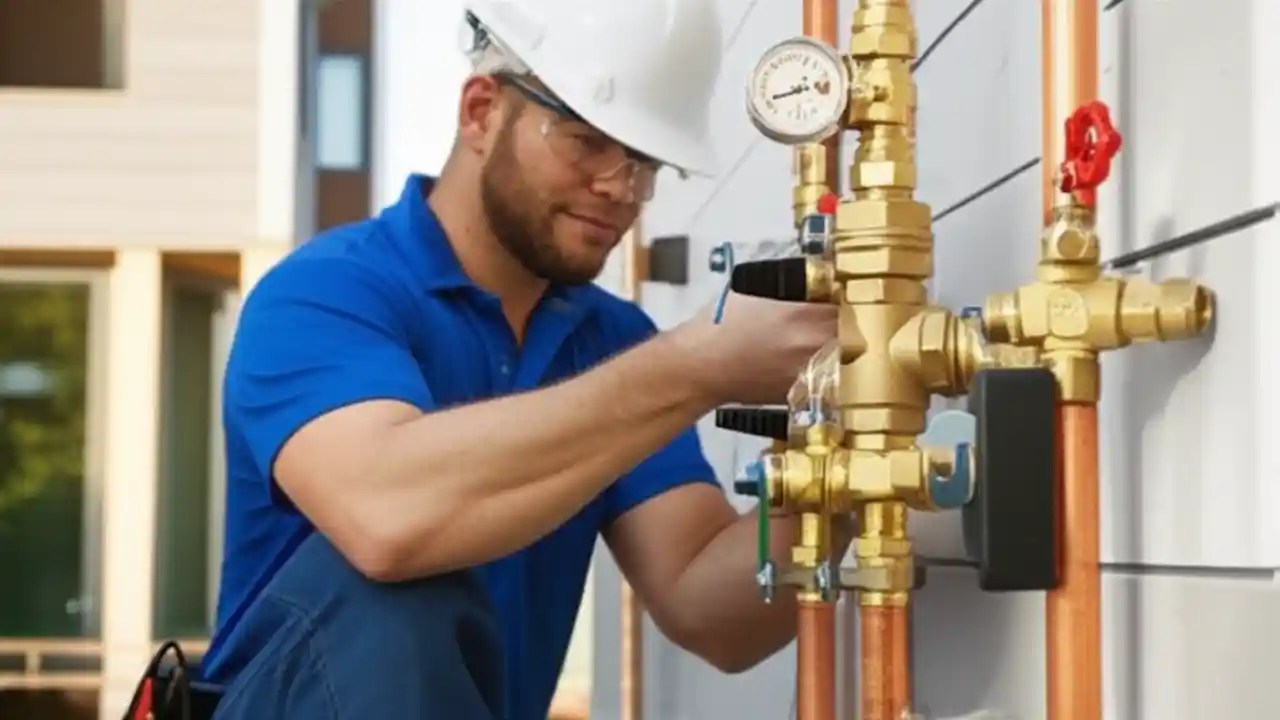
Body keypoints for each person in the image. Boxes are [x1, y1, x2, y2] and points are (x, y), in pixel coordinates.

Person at [198, 1, 840, 718]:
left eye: (645, 162)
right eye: (588, 141)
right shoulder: (327, 292)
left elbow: (713, 615)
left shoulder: (612, 341)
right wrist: (700, 363)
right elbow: (384, 517)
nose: (621, 188)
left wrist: (834, 460)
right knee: (408, 579)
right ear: (481, 112)